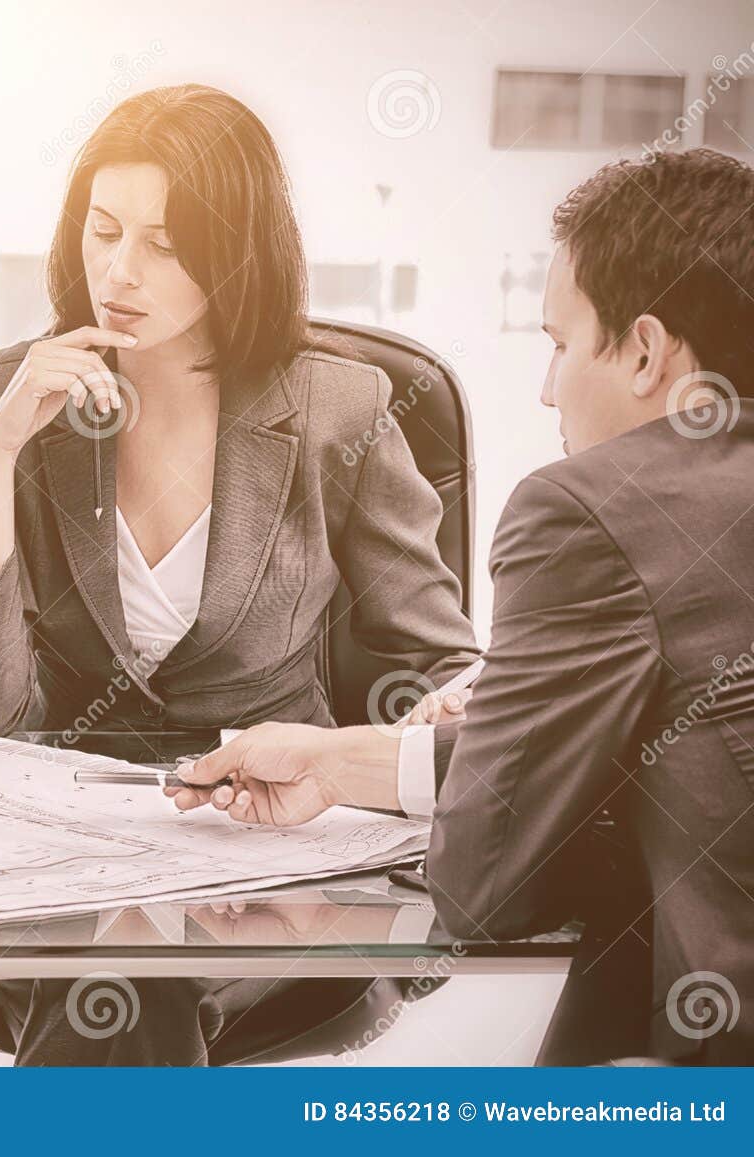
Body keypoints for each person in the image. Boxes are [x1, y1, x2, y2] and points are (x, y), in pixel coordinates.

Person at [0, 84, 480, 1064]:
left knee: (123, 993)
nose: (118, 270)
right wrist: (1, 451)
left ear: (239, 252)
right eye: (102, 230)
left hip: (264, 842)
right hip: (62, 842)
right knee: (114, 979)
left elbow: (436, 666)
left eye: (165, 244)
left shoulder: (338, 411)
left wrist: (434, 716)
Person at [173, 148, 754, 1066]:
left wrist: (515, 742)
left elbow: (486, 888)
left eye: (560, 344)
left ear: (647, 350)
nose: (545, 386)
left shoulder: (590, 512)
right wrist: (340, 761)